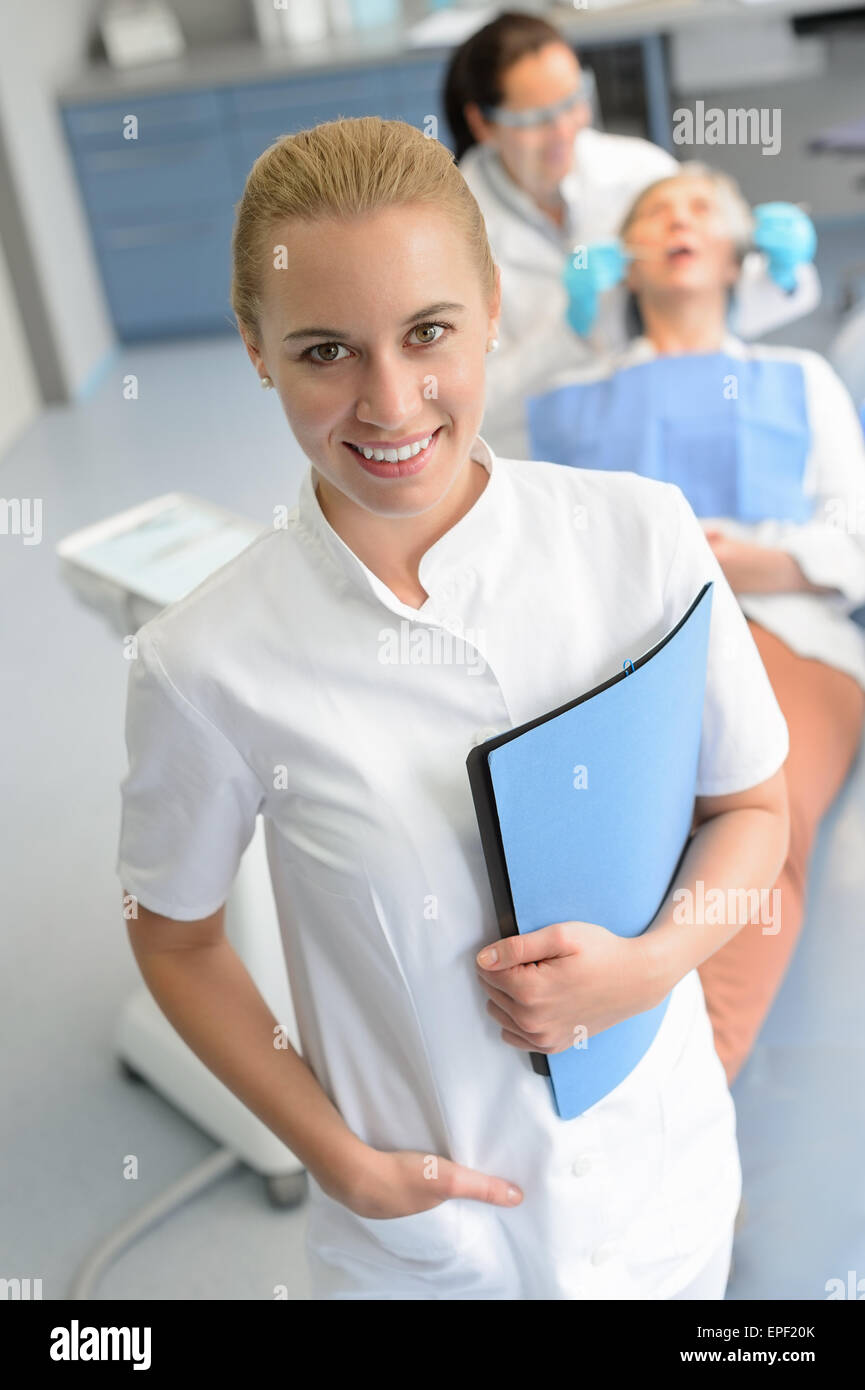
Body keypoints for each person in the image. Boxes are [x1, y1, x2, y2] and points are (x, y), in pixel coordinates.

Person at [115, 118, 790, 1300]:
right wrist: (338, 1160)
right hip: (426, 1253)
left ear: (490, 308)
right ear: (255, 348)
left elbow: (751, 806)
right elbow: (171, 934)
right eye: (325, 350)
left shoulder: (640, 534)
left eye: (428, 332)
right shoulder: (205, 660)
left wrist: (648, 968)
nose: (389, 402)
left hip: (657, 1187)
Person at [525, 164, 865, 1086]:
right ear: (624, 265)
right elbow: (533, 549)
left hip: (778, 631)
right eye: (653, 212)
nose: (679, 218)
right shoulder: (568, 399)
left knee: (762, 811)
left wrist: (739, 563)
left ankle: (697, 1086)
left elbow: (854, 535)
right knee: (602, 831)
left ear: (737, 257)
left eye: (701, 212)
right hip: (624, 647)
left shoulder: (797, 379)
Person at [444, 9, 821, 459]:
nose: (565, 131)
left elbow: (705, 303)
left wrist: (783, 274)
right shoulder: (450, 230)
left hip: (663, 418)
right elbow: (462, 402)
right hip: (538, 451)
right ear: (484, 124)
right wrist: (568, 332)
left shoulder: (638, 170)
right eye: (538, 119)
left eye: (572, 101)